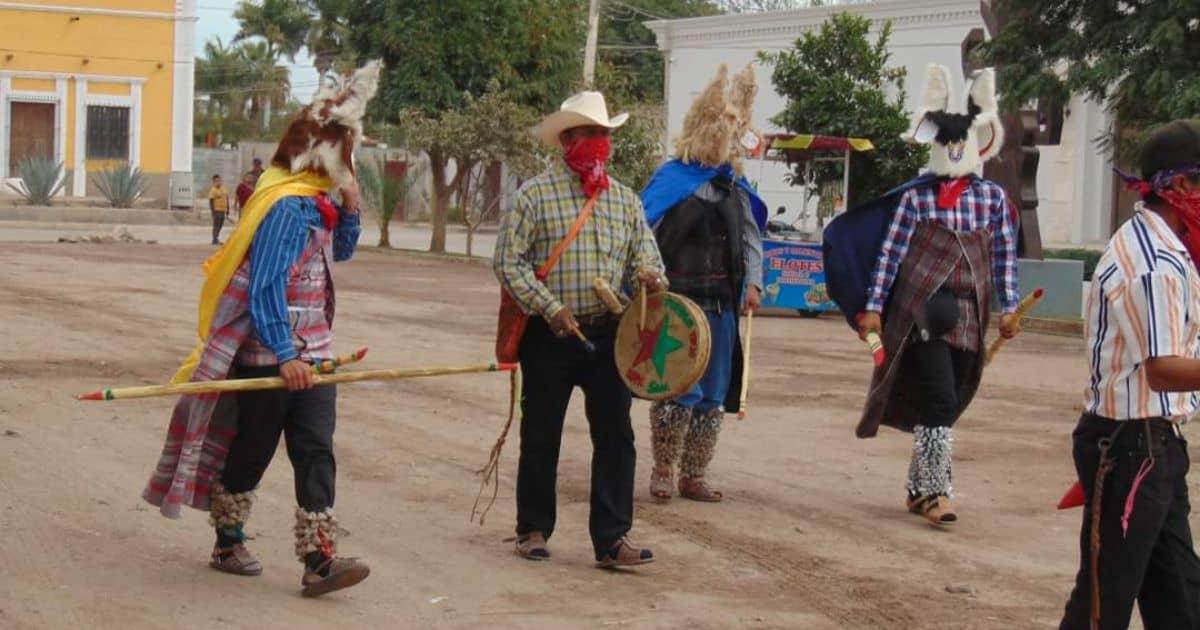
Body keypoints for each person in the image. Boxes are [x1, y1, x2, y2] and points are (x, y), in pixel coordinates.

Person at [143, 61, 381, 597]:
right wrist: (283, 353)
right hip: (273, 357)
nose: (355, 159)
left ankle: (320, 558)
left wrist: (351, 209)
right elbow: (265, 287)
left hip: (317, 354)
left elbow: (338, 253)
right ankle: (228, 539)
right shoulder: (286, 207)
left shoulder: (318, 205)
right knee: (252, 450)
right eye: (350, 149)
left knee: (316, 450)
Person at [826, 64, 1020, 525]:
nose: (954, 150)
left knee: (950, 398)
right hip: (922, 314)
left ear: (977, 144)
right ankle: (936, 492)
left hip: (970, 314)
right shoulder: (915, 200)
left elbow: (1003, 258)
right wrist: (872, 307)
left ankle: (917, 487)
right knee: (938, 398)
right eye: (947, 143)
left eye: (961, 143)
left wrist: (1011, 309)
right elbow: (890, 257)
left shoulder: (992, 200)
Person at [493, 90, 665, 568]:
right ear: (567, 139)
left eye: (605, 134)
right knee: (542, 433)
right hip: (550, 336)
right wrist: (549, 308)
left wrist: (651, 277)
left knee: (616, 435)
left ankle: (612, 540)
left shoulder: (625, 201)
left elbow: (645, 257)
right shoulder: (534, 195)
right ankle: (532, 528)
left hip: (610, 334)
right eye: (592, 133)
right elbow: (509, 263)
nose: (601, 142)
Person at [1058, 120, 1200, 630]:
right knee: (1103, 601)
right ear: (1181, 186)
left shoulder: (1166, 248)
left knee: (1181, 596)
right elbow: (1163, 370)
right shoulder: (1153, 262)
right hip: (1131, 448)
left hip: (1153, 445)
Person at [640, 64, 767, 503]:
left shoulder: (734, 186)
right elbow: (641, 231)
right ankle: (662, 469)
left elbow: (751, 237)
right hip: (677, 304)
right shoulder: (671, 179)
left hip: (723, 306)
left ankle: (693, 475)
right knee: (678, 387)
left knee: (712, 394)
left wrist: (754, 282)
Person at [208, 174, 230, 245]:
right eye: (216, 181)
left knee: (220, 225)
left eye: (219, 180)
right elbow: (211, 201)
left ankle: (216, 238)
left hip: (223, 210)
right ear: (213, 182)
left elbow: (227, 198)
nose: (218, 182)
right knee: (216, 225)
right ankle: (214, 239)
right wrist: (213, 211)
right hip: (217, 210)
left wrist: (228, 209)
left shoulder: (224, 189)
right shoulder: (213, 190)